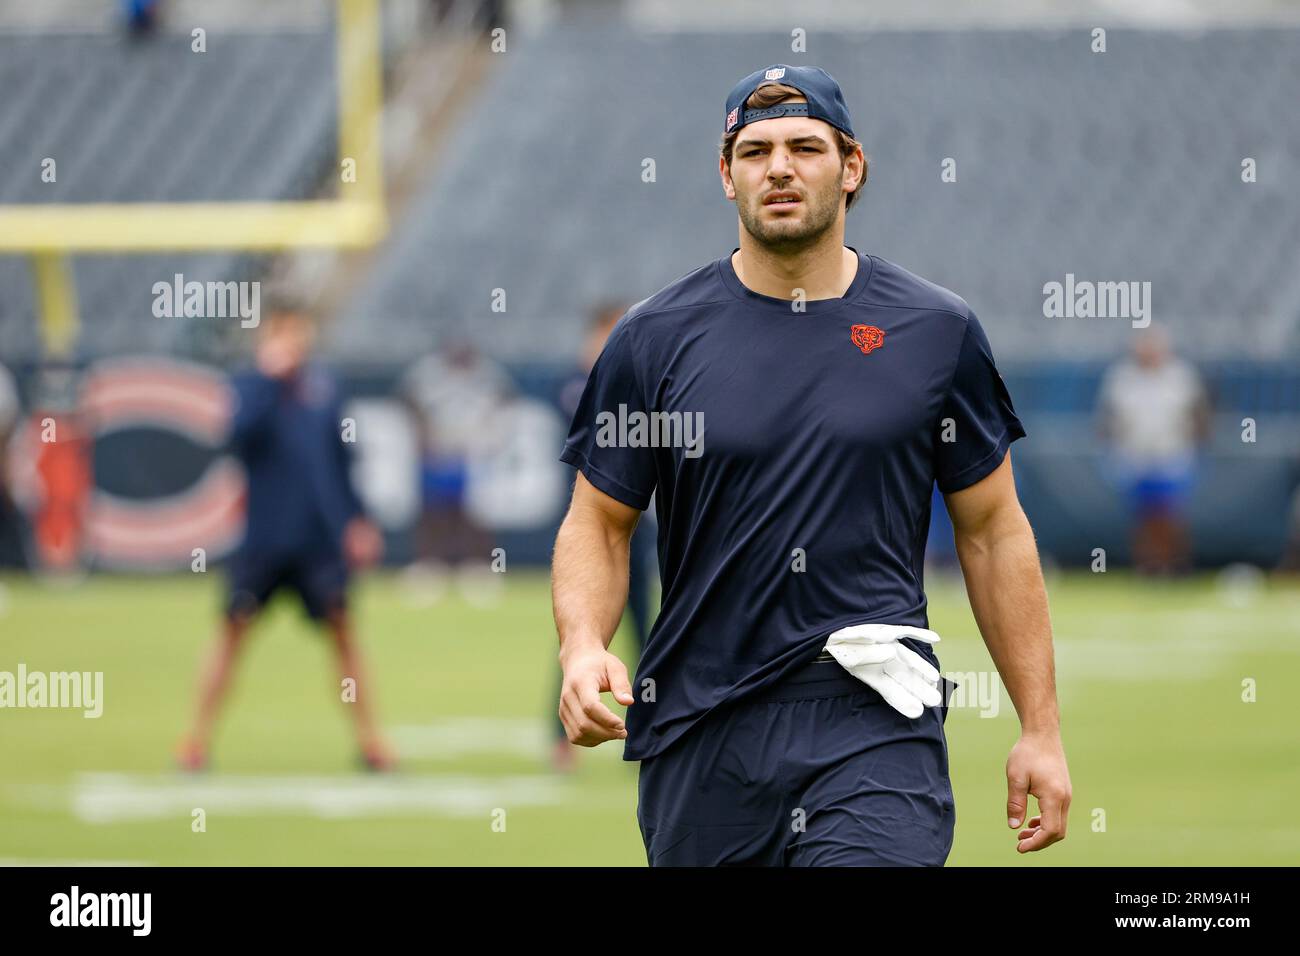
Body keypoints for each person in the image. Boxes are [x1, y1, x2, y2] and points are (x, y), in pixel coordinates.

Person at [551, 65, 1071, 865]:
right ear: (726, 175)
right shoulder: (652, 339)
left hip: (873, 712)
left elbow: (994, 531)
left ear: (851, 166)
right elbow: (599, 521)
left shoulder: (936, 331)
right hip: (702, 727)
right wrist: (582, 645)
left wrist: (1040, 727)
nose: (780, 169)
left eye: (805, 147)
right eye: (755, 152)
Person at [178, 298, 393, 772]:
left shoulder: (324, 388)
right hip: (265, 540)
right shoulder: (250, 387)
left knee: (344, 636)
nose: (293, 342)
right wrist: (268, 380)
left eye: (298, 332)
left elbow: (341, 462)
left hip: (317, 542)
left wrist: (358, 519)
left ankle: (371, 744)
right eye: (282, 333)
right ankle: (195, 742)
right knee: (231, 633)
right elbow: (236, 438)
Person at [549, 302, 657, 772]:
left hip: (635, 526)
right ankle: (560, 736)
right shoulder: (577, 385)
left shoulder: (636, 380)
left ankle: (648, 726)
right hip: (588, 524)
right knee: (578, 642)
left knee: (646, 632)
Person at [1097, 328, 1209, 575]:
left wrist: (1195, 442)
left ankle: (1176, 564)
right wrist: (1113, 446)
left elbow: (1198, 413)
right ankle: (1147, 565)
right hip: (1135, 455)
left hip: (1172, 454)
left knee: (1170, 513)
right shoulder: (1122, 377)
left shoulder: (1180, 375)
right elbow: (1109, 417)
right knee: (1142, 515)